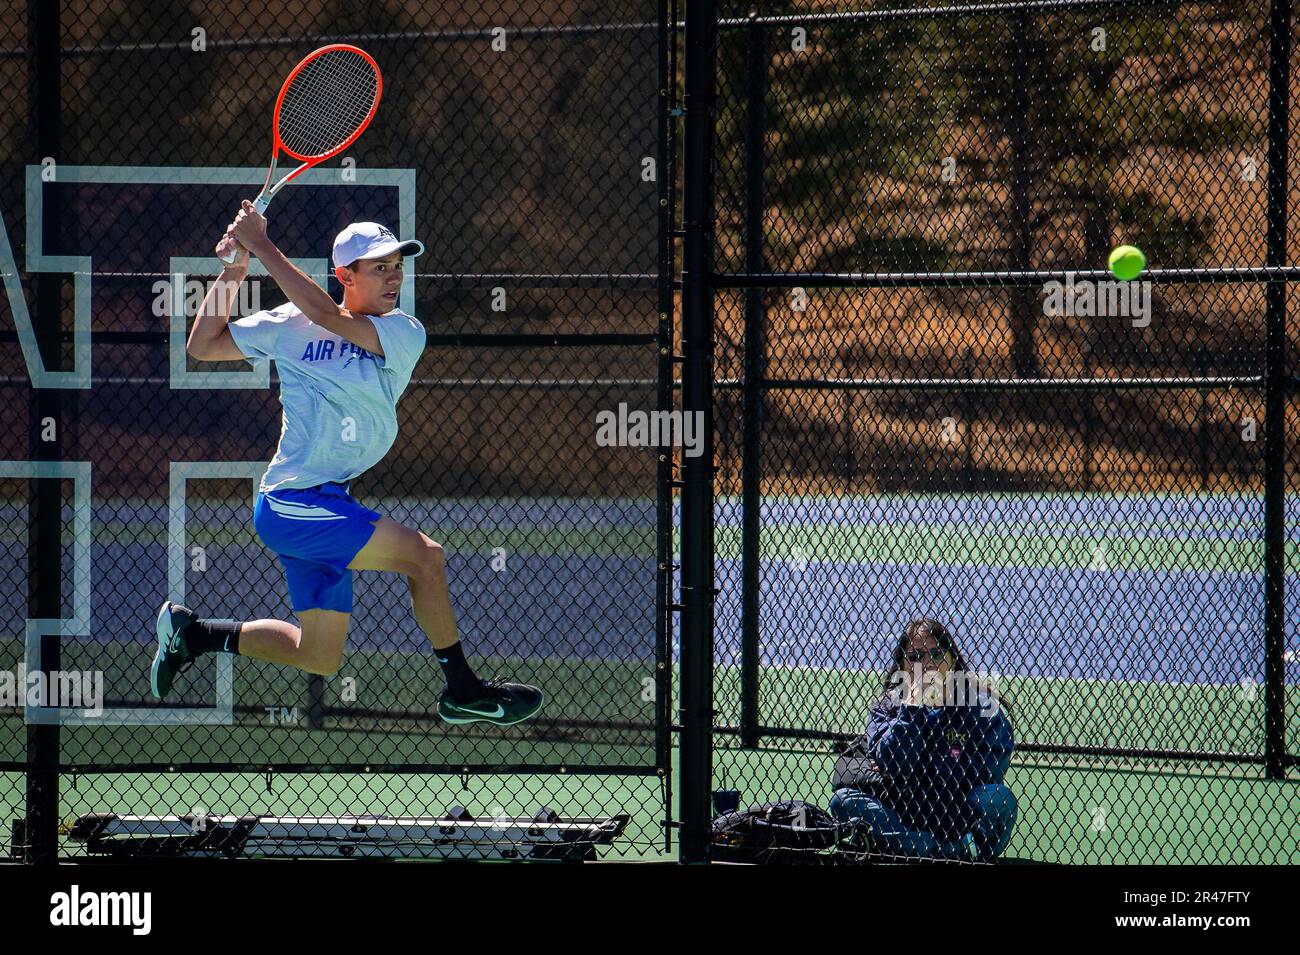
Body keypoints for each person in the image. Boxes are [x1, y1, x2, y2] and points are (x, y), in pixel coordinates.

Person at [149, 200, 543, 727]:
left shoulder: (404, 331)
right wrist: (235, 270)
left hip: (327, 500)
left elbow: (328, 316)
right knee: (424, 558)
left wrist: (262, 243)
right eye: (379, 266)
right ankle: (463, 689)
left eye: (398, 265)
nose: (394, 276)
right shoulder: (290, 324)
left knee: (319, 656)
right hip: (290, 502)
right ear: (344, 275)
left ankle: (193, 634)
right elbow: (203, 344)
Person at [829, 618, 1015, 861]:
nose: (927, 664)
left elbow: (988, 772)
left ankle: (908, 847)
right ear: (903, 666)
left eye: (937, 654)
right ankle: (947, 851)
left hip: (957, 811)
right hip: (903, 807)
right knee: (843, 802)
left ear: (952, 660)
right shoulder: (888, 706)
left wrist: (922, 774)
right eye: (916, 657)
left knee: (998, 799)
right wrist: (912, 708)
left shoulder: (982, 706)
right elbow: (895, 762)